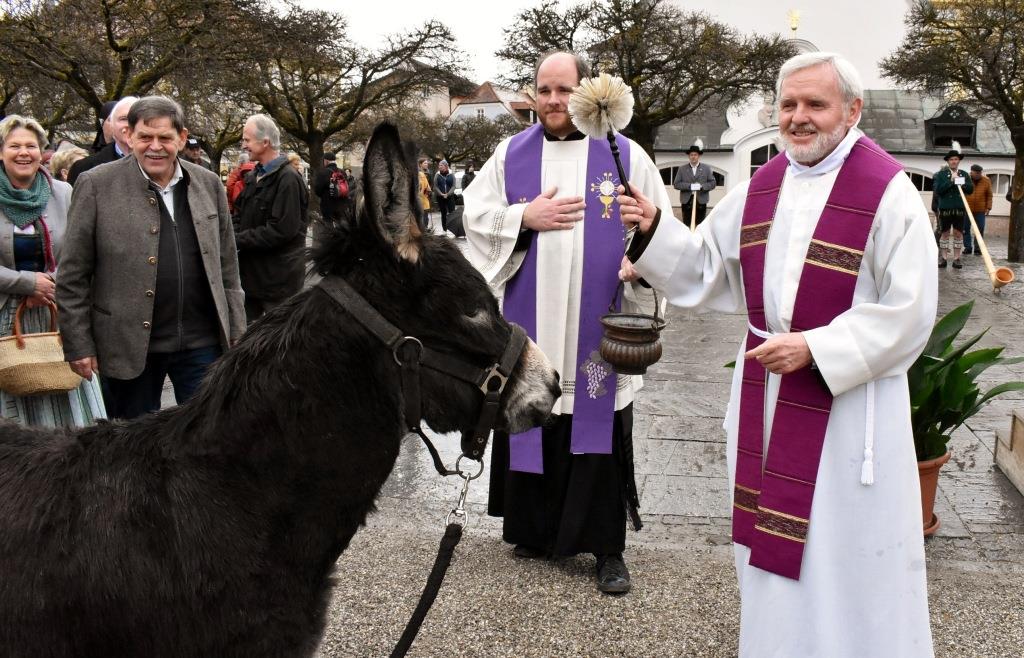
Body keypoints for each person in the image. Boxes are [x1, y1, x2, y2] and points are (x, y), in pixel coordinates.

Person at [619, 52, 936, 657]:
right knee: (774, 547)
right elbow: (707, 270)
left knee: (845, 554)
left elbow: (911, 311)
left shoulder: (887, 191)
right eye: (788, 105)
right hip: (767, 401)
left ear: (852, 109)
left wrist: (818, 347)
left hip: (850, 409)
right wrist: (657, 227)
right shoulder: (761, 186)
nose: (799, 118)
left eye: (815, 104)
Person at [463, 50, 673, 595]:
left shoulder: (624, 155)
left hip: (597, 326)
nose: (553, 101)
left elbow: (659, 227)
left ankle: (606, 548)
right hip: (531, 327)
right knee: (536, 413)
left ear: (584, 92)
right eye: (544, 90)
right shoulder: (510, 154)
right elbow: (474, 214)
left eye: (564, 90)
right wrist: (521, 218)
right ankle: (534, 528)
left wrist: (642, 257)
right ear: (533, 94)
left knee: (595, 419)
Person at [57, 95, 246, 420]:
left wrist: (238, 329)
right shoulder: (96, 185)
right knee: (128, 447)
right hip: (127, 346)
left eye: (164, 138)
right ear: (129, 136)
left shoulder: (208, 184)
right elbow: (72, 275)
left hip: (202, 344)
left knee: (208, 441)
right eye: (145, 137)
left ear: (181, 138)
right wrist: (79, 344)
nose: (154, 146)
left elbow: (228, 266)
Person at [0, 115, 106, 427]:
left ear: (41, 151)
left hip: (57, 314)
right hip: (5, 315)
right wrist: (26, 283)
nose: (23, 153)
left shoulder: (63, 192)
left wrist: (51, 284)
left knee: (68, 407)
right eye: (14, 146)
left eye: (31, 146)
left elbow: (83, 251)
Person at [232, 114, 308, 322]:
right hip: (252, 279)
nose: (243, 145)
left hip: (278, 283)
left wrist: (237, 240)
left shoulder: (288, 180)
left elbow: (282, 230)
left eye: (247, 140)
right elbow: (240, 214)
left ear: (265, 142)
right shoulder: (252, 177)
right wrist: (231, 232)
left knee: (281, 344)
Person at [68, 96, 138, 186]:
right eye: (123, 119)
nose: (129, 124)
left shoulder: (159, 164)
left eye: (135, 119)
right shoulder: (83, 168)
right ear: (112, 125)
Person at [933, 144, 973, 269]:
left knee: (958, 234)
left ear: (959, 161)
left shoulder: (964, 174)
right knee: (944, 233)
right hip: (945, 208)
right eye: (951, 159)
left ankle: (956, 258)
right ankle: (943, 258)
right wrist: (951, 181)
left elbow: (970, 189)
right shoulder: (940, 174)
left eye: (956, 159)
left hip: (960, 208)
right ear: (948, 161)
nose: (954, 161)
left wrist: (959, 181)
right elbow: (938, 190)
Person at [672, 141, 716, 225]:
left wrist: (702, 186)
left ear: (699, 156)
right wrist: (690, 186)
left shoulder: (706, 168)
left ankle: (699, 238)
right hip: (686, 201)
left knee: (700, 224)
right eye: (691, 155)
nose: (693, 157)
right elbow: (676, 184)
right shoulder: (682, 169)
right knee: (686, 224)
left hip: (701, 200)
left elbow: (713, 183)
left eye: (695, 155)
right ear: (689, 156)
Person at [963, 163, 992, 255]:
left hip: (980, 209)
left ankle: (978, 248)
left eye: (979, 173)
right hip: (967, 209)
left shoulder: (986, 180)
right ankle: (967, 247)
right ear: (971, 172)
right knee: (965, 228)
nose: (978, 175)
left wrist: (988, 207)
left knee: (980, 229)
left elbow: (989, 195)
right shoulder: (965, 179)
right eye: (976, 173)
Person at [433, 159, 456, 234]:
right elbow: (435, 186)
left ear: (446, 166)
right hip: (440, 197)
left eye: (441, 165)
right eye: (439, 165)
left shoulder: (451, 174)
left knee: (452, 213)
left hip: (450, 196)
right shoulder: (437, 175)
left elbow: (453, 186)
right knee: (443, 213)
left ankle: (453, 229)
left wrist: (448, 194)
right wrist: (441, 194)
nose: (439, 167)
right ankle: (444, 229)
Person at [417, 157, 432, 229]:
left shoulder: (428, 173)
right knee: (423, 217)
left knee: (425, 216)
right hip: (420, 199)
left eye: (427, 163)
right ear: (420, 164)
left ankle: (423, 229)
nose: (427, 164)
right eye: (425, 163)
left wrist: (429, 191)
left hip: (424, 198)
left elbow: (429, 185)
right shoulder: (420, 174)